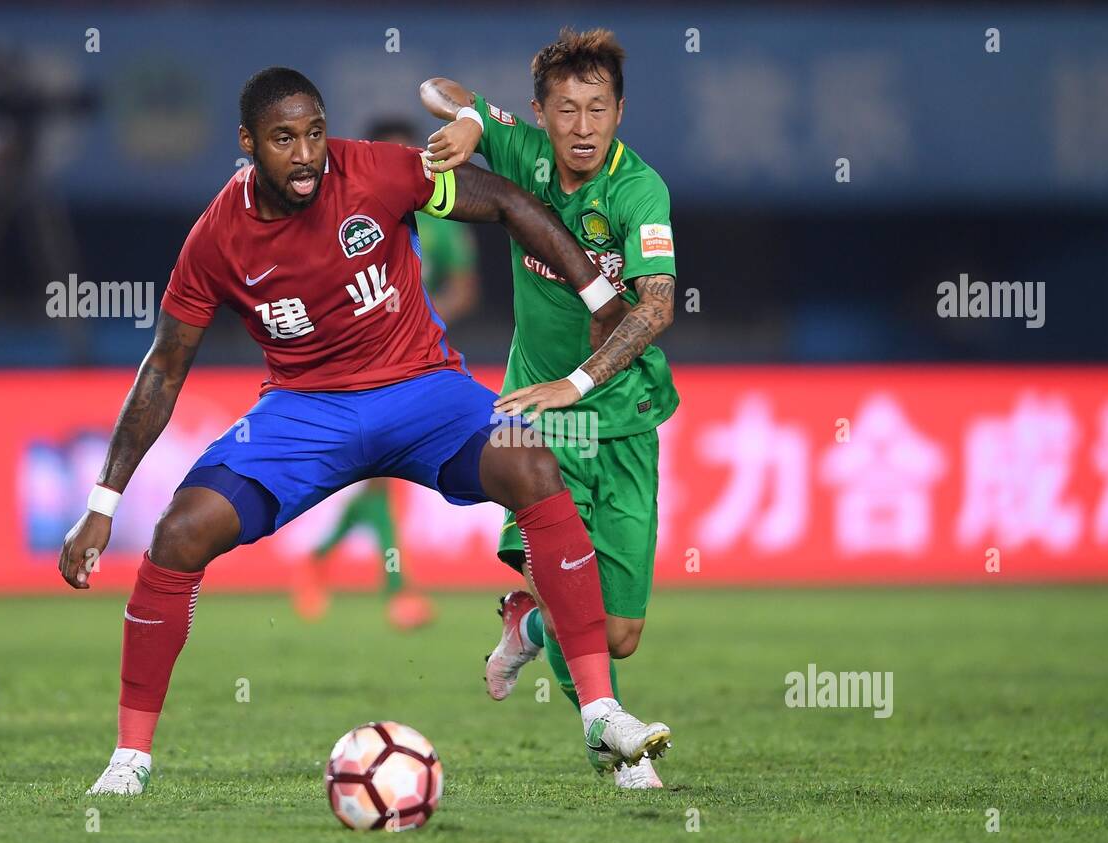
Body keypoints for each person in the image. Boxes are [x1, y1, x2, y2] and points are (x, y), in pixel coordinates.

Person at [58, 67, 671, 795]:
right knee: (179, 533)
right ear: (248, 143)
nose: (307, 153)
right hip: (307, 412)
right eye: (284, 139)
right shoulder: (218, 237)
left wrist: (598, 292)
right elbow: (164, 368)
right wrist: (102, 506)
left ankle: (601, 714)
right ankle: (129, 760)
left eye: (314, 132)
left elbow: (506, 198)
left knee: (530, 464)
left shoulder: (377, 171)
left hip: (423, 393)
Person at [420, 27, 678, 788]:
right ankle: (615, 744)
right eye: (565, 109)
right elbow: (441, 87)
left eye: (598, 109)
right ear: (541, 112)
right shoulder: (524, 153)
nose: (582, 127)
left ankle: (525, 622)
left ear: (620, 113)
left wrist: (583, 381)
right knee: (579, 599)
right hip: (539, 414)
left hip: (623, 413)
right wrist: (470, 122)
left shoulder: (640, 192)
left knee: (620, 632)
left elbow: (655, 308)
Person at [292, 117, 483, 630]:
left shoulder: (442, 218)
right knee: (377, 476)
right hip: (355, 362)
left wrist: (419, 312)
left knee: (378, 477)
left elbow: (464, 289)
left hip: (419, 360)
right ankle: (397, 591)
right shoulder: (340, 213)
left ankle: (322, 560)